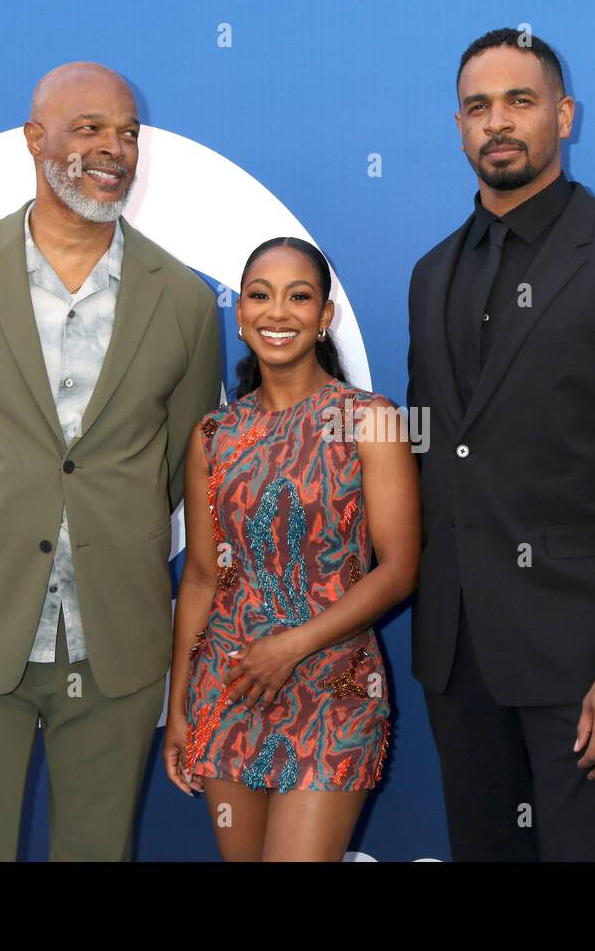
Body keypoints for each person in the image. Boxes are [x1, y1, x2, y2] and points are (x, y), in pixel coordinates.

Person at [0, 62, 222, 860]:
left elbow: (183, 461)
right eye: (89, 128)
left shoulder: (185, 299)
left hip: (117, 638)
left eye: (128, 133)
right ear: (35, 139)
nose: (114, 149)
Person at [406, 29, 595, 860]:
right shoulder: (431, 274)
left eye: (521, 101)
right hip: (458, 662)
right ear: (459, 127)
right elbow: (434, 454)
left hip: (588, 665)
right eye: (478, 107)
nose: (498, 122)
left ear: (564, 115)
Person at [163, 237, 420, 861]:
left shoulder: (370, 420)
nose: (277, 312)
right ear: (241, 313)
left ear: (324, 315)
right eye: (260, 295)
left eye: (298, 297)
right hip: (229, 687)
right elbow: (200, 577)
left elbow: (400, 569)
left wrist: (291, 647)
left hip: (335, 691)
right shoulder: (213, 435)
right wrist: (180, 704)